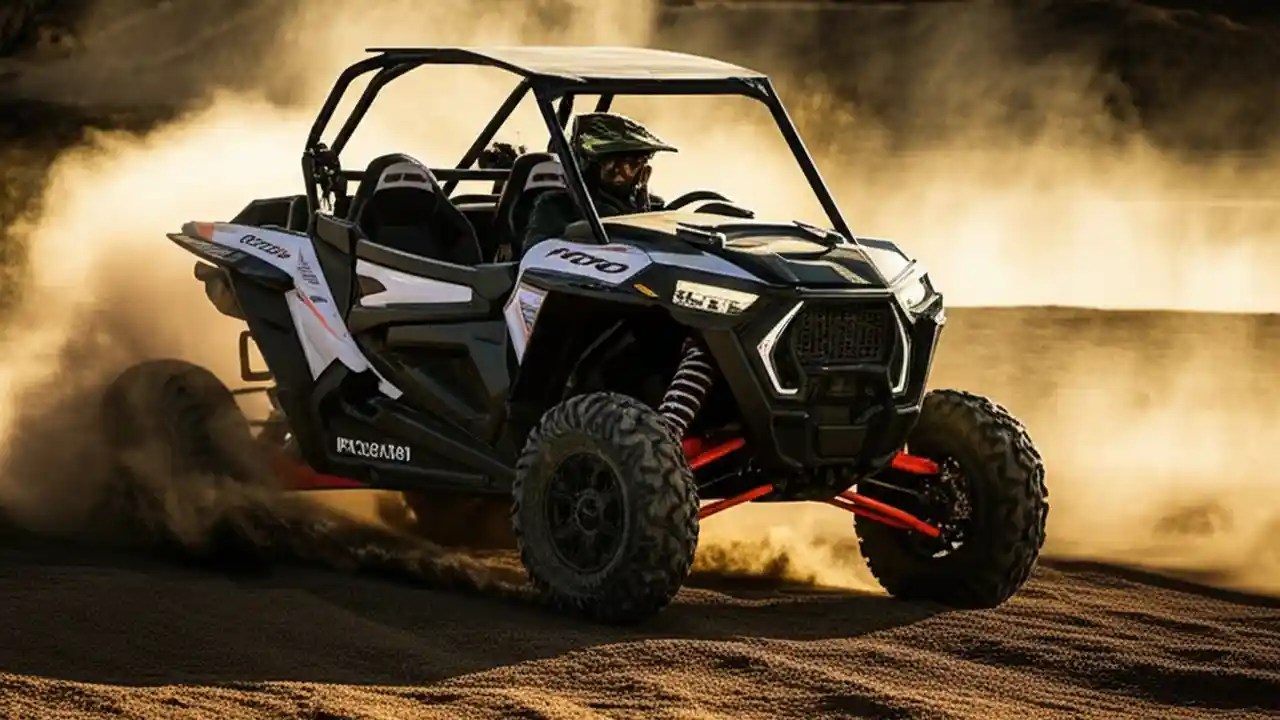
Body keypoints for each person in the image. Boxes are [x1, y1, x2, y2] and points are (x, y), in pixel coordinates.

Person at [522, 112, 676, 250]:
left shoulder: (652, 208)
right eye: (609, 160)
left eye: (637, 161)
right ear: (592, 165)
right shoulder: (556, 206)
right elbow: (536, 257)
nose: (618, 169)